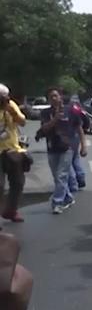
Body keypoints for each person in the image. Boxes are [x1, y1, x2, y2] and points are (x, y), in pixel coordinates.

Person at [37, 88, 86, 214]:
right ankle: (68, 197)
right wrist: (55, 119)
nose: (54, 98)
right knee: (57, 177)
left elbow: (79, 128)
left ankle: (57, 202)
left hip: (67, 148)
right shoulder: (45, 113)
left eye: (55, 96)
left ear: (60, 97)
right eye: (51, 97)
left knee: (61, 175)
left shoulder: (70, 110)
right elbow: (44, 128)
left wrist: (83, 146)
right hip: (52, 148)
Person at [0, 84, 27, 223]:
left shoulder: (11, 105)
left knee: (18, 183)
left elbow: (23, 122)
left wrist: (12, 112)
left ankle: (11, 210)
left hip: (12, 150)